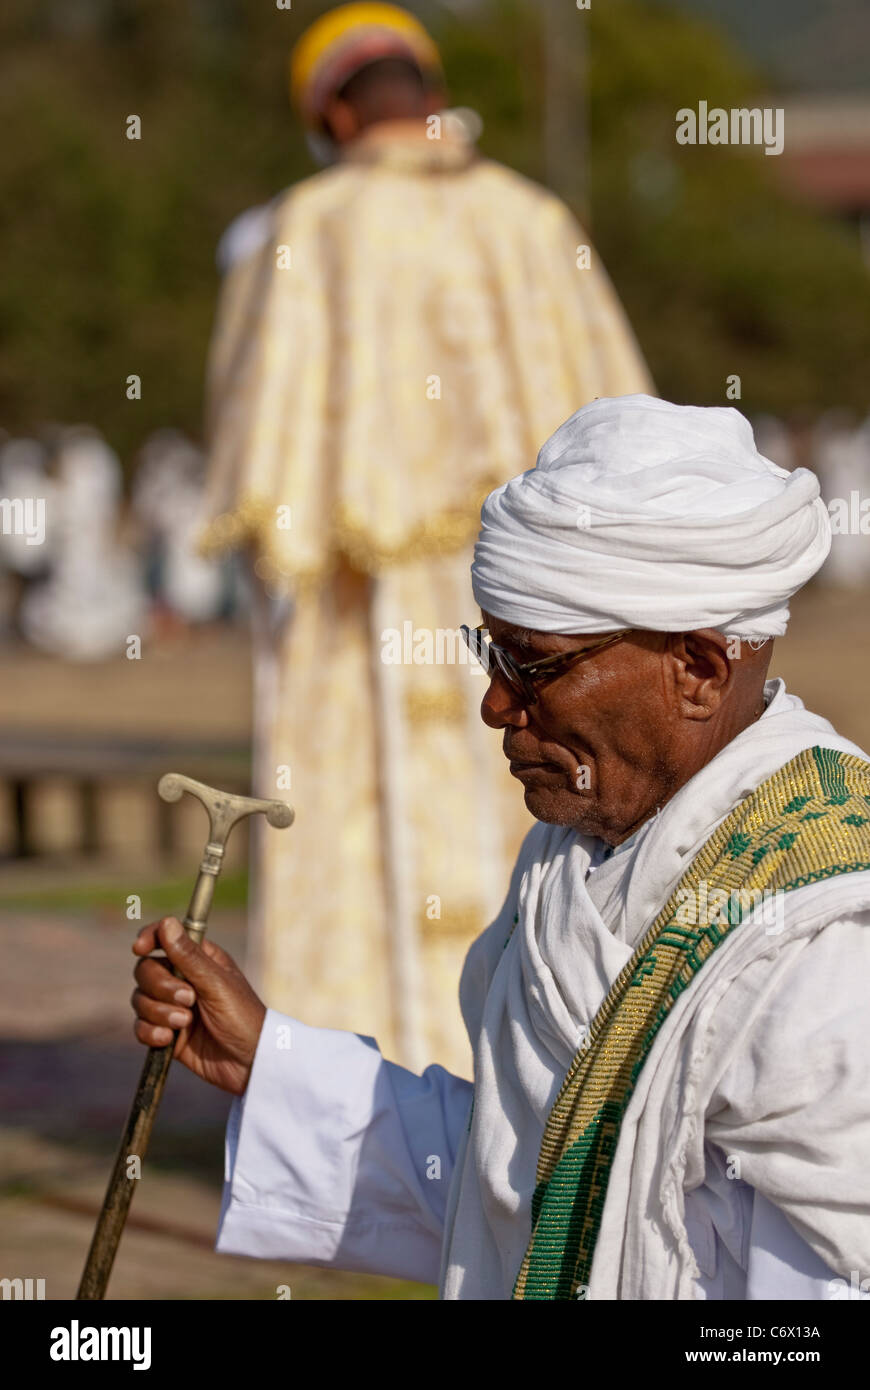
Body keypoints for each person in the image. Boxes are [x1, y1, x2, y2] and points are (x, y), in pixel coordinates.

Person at [134, 394, 870, 1300]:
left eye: (534, 666)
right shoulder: (573, 853)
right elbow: (528, 1176)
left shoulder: (828, 938)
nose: (495, 704)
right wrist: (270, 1064)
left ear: (699, 670)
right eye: (492, 655)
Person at [199, 3, 653, 1073]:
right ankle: (553, 1073)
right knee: (539, 819)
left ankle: (353, 1087)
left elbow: (259, 452)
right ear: (431, 93)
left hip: (363, 605)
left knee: (364, 835)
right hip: (546, 606)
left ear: (338, 109)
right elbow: (628, 425)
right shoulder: (535, 218)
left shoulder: (311, 223)